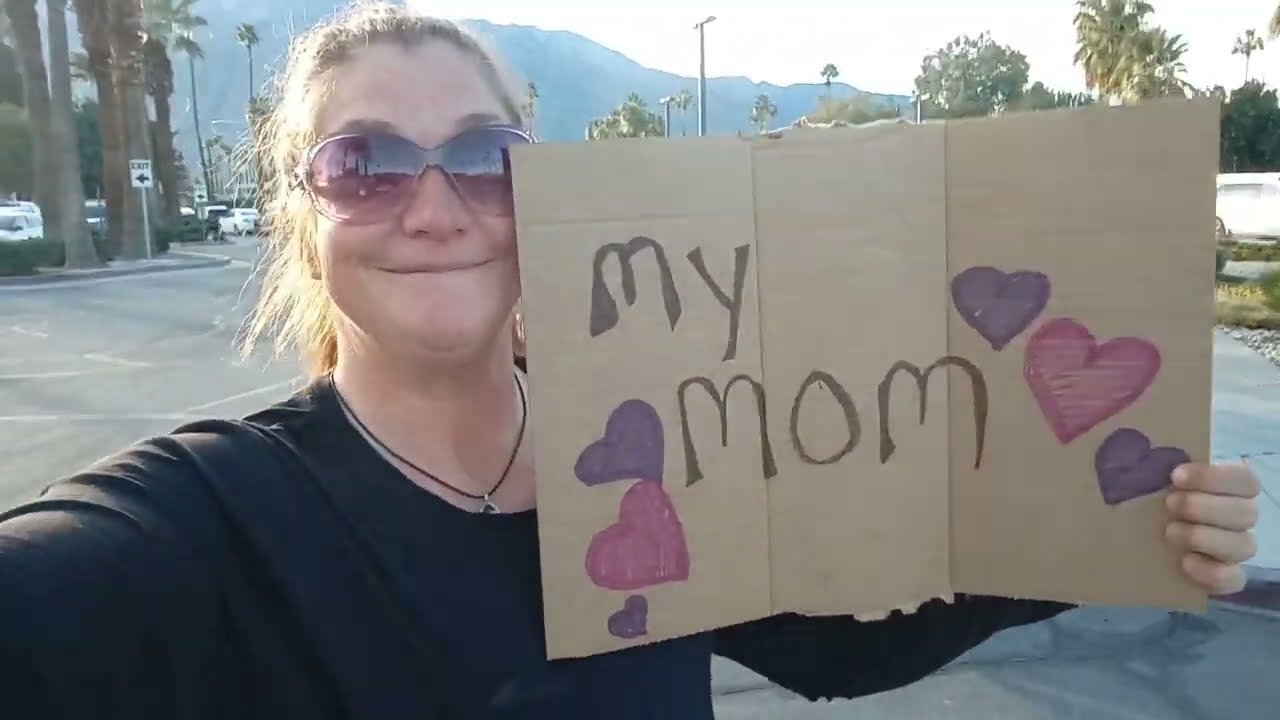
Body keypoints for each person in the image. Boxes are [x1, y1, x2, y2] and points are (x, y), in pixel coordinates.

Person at [0, 3, 1260, 718]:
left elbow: (836, 649)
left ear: (539, 188)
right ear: (304, 213)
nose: (429, 205)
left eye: (482, 156)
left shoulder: (653, 452)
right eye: (362, 163)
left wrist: (1117, 528)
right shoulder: (209, 521)